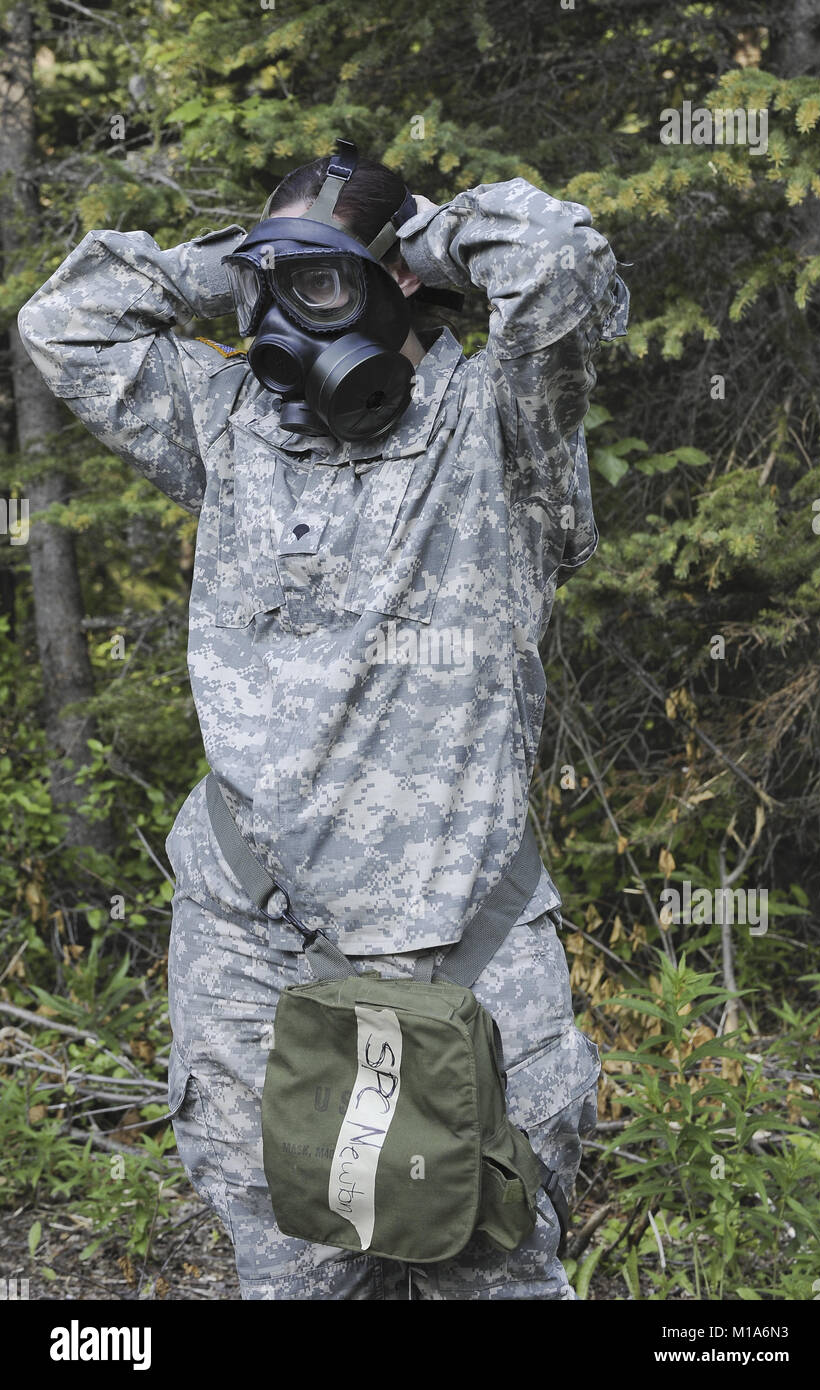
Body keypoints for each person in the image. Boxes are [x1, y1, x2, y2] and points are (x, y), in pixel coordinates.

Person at [18, 143, 629, 1300]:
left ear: (398, 282)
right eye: (287, 285)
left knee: (484, 1271)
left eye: (331, 282)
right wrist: (250, 271)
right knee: (292, 1273)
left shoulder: (501, 427)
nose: (306, 313)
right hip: (254, 952)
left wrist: (423, 244)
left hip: (460, 954)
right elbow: (67, 318)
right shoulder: (233, 424)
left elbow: (555, 267)